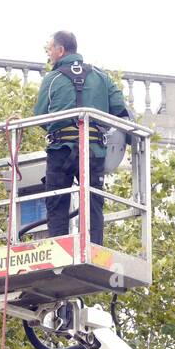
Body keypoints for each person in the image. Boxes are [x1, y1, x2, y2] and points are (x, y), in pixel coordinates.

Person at [33, 31, 131, 245]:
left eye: (50, 49)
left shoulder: (52, 79)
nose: (49, 54)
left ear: (60, 50)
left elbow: (39, 116)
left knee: (57, 202)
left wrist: (59, 127)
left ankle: (57, 248)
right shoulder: (101, 77)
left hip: (61, 150)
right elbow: (120, 111)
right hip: (93, 150)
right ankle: (95, 245)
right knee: (93, 201)